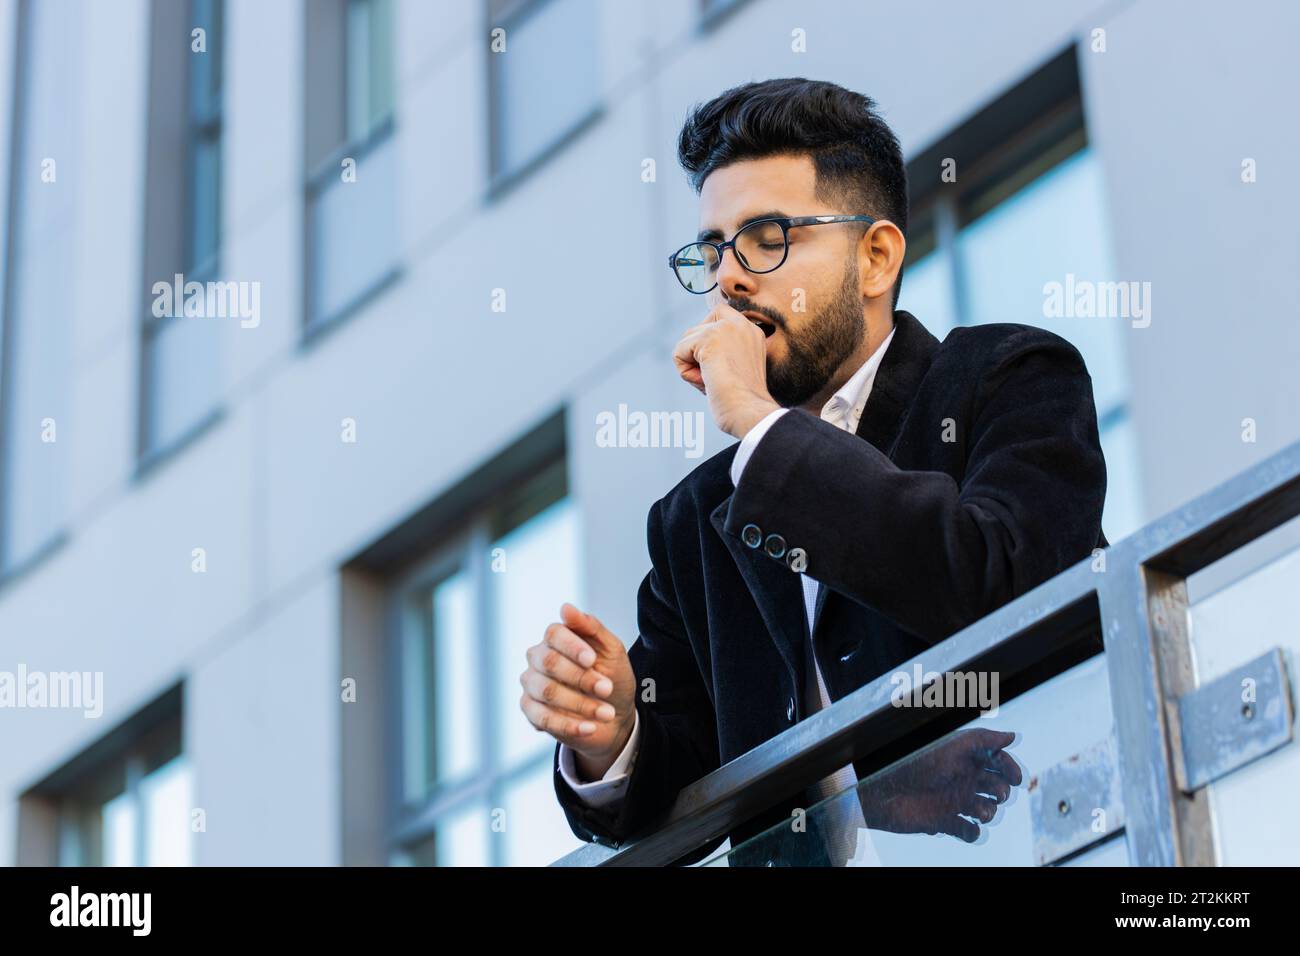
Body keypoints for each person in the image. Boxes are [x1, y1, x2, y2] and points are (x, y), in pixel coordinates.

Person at [519, 77, 1107, 866]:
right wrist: (610, 732)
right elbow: (672, 780)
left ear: (875, 257)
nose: (729, 278)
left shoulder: (1008, 376)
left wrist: (760, 428)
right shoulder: (692, 521)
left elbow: (1004, 583)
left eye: (767, 237)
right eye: (714, 250)